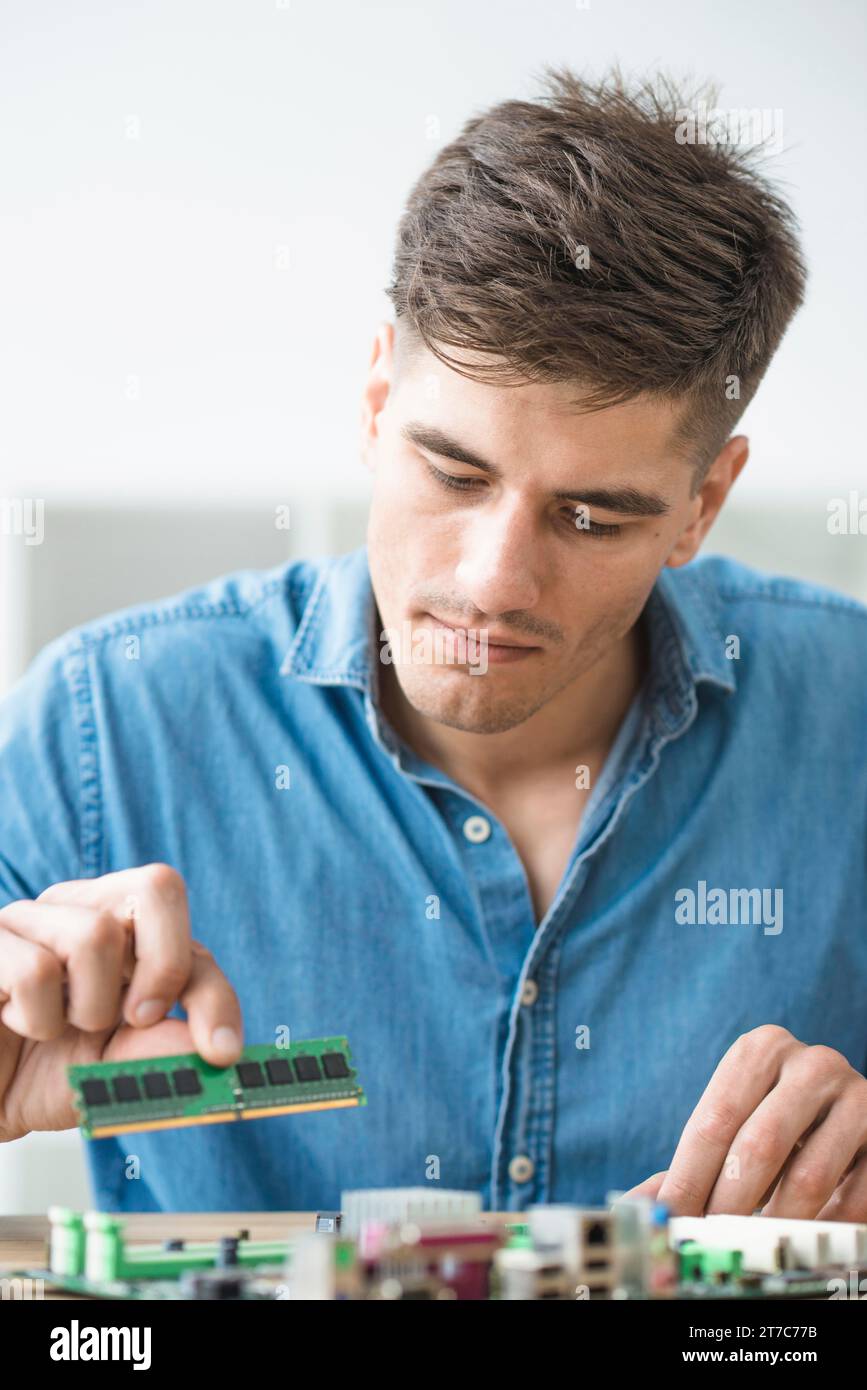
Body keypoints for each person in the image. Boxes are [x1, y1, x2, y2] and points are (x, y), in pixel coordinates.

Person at [2, 70, 866, 1220]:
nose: (490, 581)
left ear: (705, 501)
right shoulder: (101, 726)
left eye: (591, 515)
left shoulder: (848, 715)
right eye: (453, 472)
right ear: (374, 402)